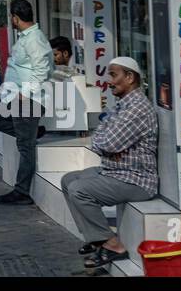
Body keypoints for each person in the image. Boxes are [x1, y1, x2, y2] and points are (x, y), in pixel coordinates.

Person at [62, 56, 158, 270]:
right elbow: (100, 136)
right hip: (114, 170)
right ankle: (95, 238)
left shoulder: (137, 108)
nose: (110, 81)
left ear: (130, 77)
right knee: (68, 180)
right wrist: (108, 147)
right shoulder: (123, 105)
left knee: (79, 190)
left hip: (135, 179)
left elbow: (109, 143)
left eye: (114, 75)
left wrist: (109, 146)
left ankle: (112, 244)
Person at [0, 0, 53, 205]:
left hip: (27, 100)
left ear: (15, 18)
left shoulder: (35, 39)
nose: (10, 21)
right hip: (13, 96)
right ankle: (31, 132)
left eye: (11, 17)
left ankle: (22, 192)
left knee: (25, 147)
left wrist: (25, 93)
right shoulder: (25, 37)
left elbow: (42, 70)